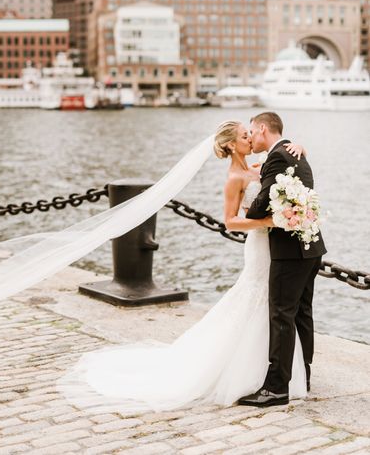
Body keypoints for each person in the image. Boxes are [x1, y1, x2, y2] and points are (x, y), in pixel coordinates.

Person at [55, 120, 310, 412]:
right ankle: (253, 375)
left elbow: (284, 161)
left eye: (250, 133)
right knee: (258, 300)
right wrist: (266, 222)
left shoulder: (259, 166)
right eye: (243, 135)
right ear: (230, 145)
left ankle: (274, 376)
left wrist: (301, 146)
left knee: (271, 305)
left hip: (271, 246)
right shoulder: (234, 178)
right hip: (259, 244)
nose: (250, 138)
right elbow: (230, 221)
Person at [237, 111, 327, 407]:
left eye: (252, 131)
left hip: (290, 252)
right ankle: (304, 376)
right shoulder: (296, 153)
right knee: (302, 313)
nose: (251, 137)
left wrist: (248, 212)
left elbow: (263, 200)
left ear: (263, 128)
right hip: (311, 247)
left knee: (280, 315)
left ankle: (276, 388)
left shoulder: (279, 156)